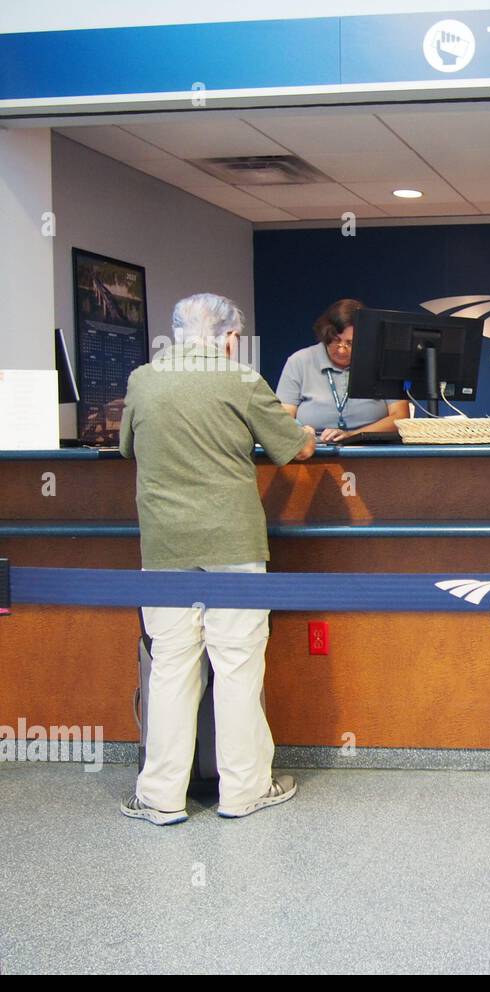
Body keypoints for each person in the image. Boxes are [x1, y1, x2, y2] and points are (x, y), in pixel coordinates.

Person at [118, 293, 317, 825]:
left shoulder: (143, 379)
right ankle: (243, 792)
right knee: (236, 667)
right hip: (232, 543)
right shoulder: (241, 380)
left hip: (163, 544)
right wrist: (310, 436)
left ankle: (160, 797)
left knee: (171, 666)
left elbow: (123, 447)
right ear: (230, 337)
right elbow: (293, 448)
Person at [276, 298, 409, 441]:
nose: (341, 350)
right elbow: (283, 418)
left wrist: (353, 436)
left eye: (350, 343)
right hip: (314, 450)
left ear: (365, 339)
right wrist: (301, 432)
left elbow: (400, 418)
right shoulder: (299, 361)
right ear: (325, 335)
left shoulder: (382, 361)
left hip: (372, 449)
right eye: (335, 340)